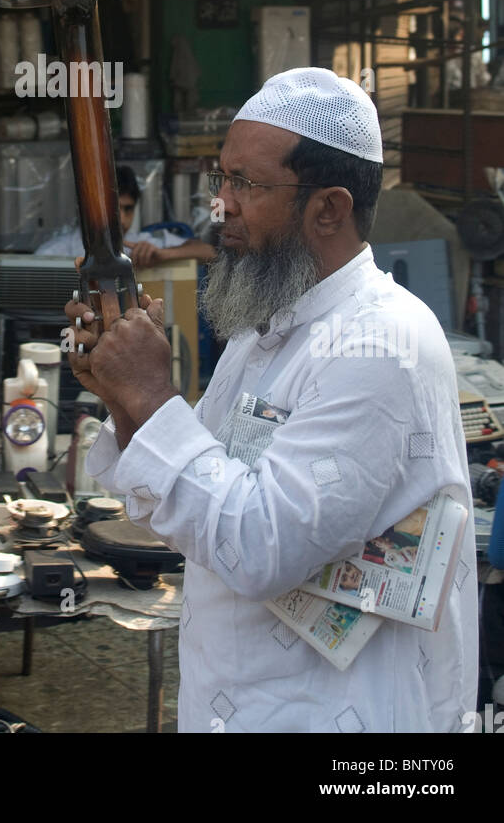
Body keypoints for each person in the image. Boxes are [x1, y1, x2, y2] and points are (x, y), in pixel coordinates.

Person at [63, 67, 477, 734]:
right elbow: (195, 504)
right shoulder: (267, 328)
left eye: (245, 185)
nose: (220, 206)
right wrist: (123, 398)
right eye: (219, 180)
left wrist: (154, 392)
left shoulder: (381, 343)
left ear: (329, 209)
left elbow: (262, 546)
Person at [35, 164, 216, 268]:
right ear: (87, 209)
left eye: (128, 209)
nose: (121, 219)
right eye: (113, 210)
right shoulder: (51, 256)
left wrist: (164, 254)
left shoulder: (143, 247)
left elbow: (213, 253)